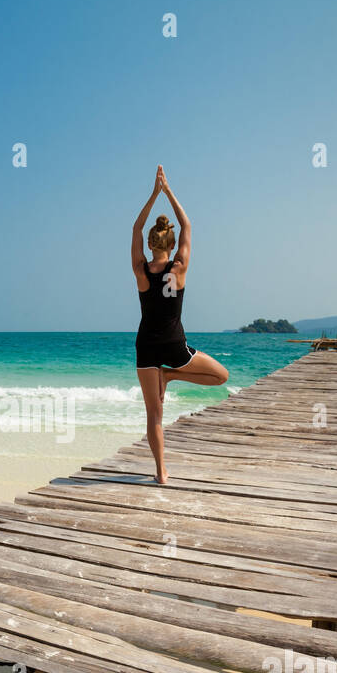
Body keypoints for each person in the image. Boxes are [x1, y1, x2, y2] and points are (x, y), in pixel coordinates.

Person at [132, 165, 228, 484]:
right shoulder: (180, 266)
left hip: (146, 345)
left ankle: (161, 473)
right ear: (171, 244)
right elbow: (187, 224)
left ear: (149, 244)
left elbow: (135, 228)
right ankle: (171, 374)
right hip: (175, 346)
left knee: (154, 416)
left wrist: (152, 195)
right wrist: (168, 190)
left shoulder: (142, 270)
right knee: (221, 376)